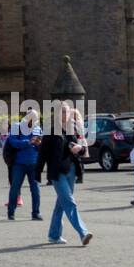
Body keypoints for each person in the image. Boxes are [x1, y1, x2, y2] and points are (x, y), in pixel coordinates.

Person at [35, 103, 92, 246]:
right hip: (57, 172)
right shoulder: (50, 131)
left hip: (71, 169)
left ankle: (54, 235)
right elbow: (42, 154)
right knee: (69, 202)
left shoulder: (71, 130)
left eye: (67, 111)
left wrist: (80, 148)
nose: (66, 114)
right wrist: (37, 173)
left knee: (61, 204)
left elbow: (81, 147)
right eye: (63, 112)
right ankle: (83, 232)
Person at [5, 110, 42, 220]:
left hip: (33, 163)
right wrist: (28, 142)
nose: (34, 121)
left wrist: (39, 144)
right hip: (19, 163)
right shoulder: (17, 127)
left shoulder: (37, 129)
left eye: (36, 118)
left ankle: (36, 213)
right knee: (15, 188)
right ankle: (11, 212)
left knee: (35, 189)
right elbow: (12, 142)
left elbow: (41, 147)